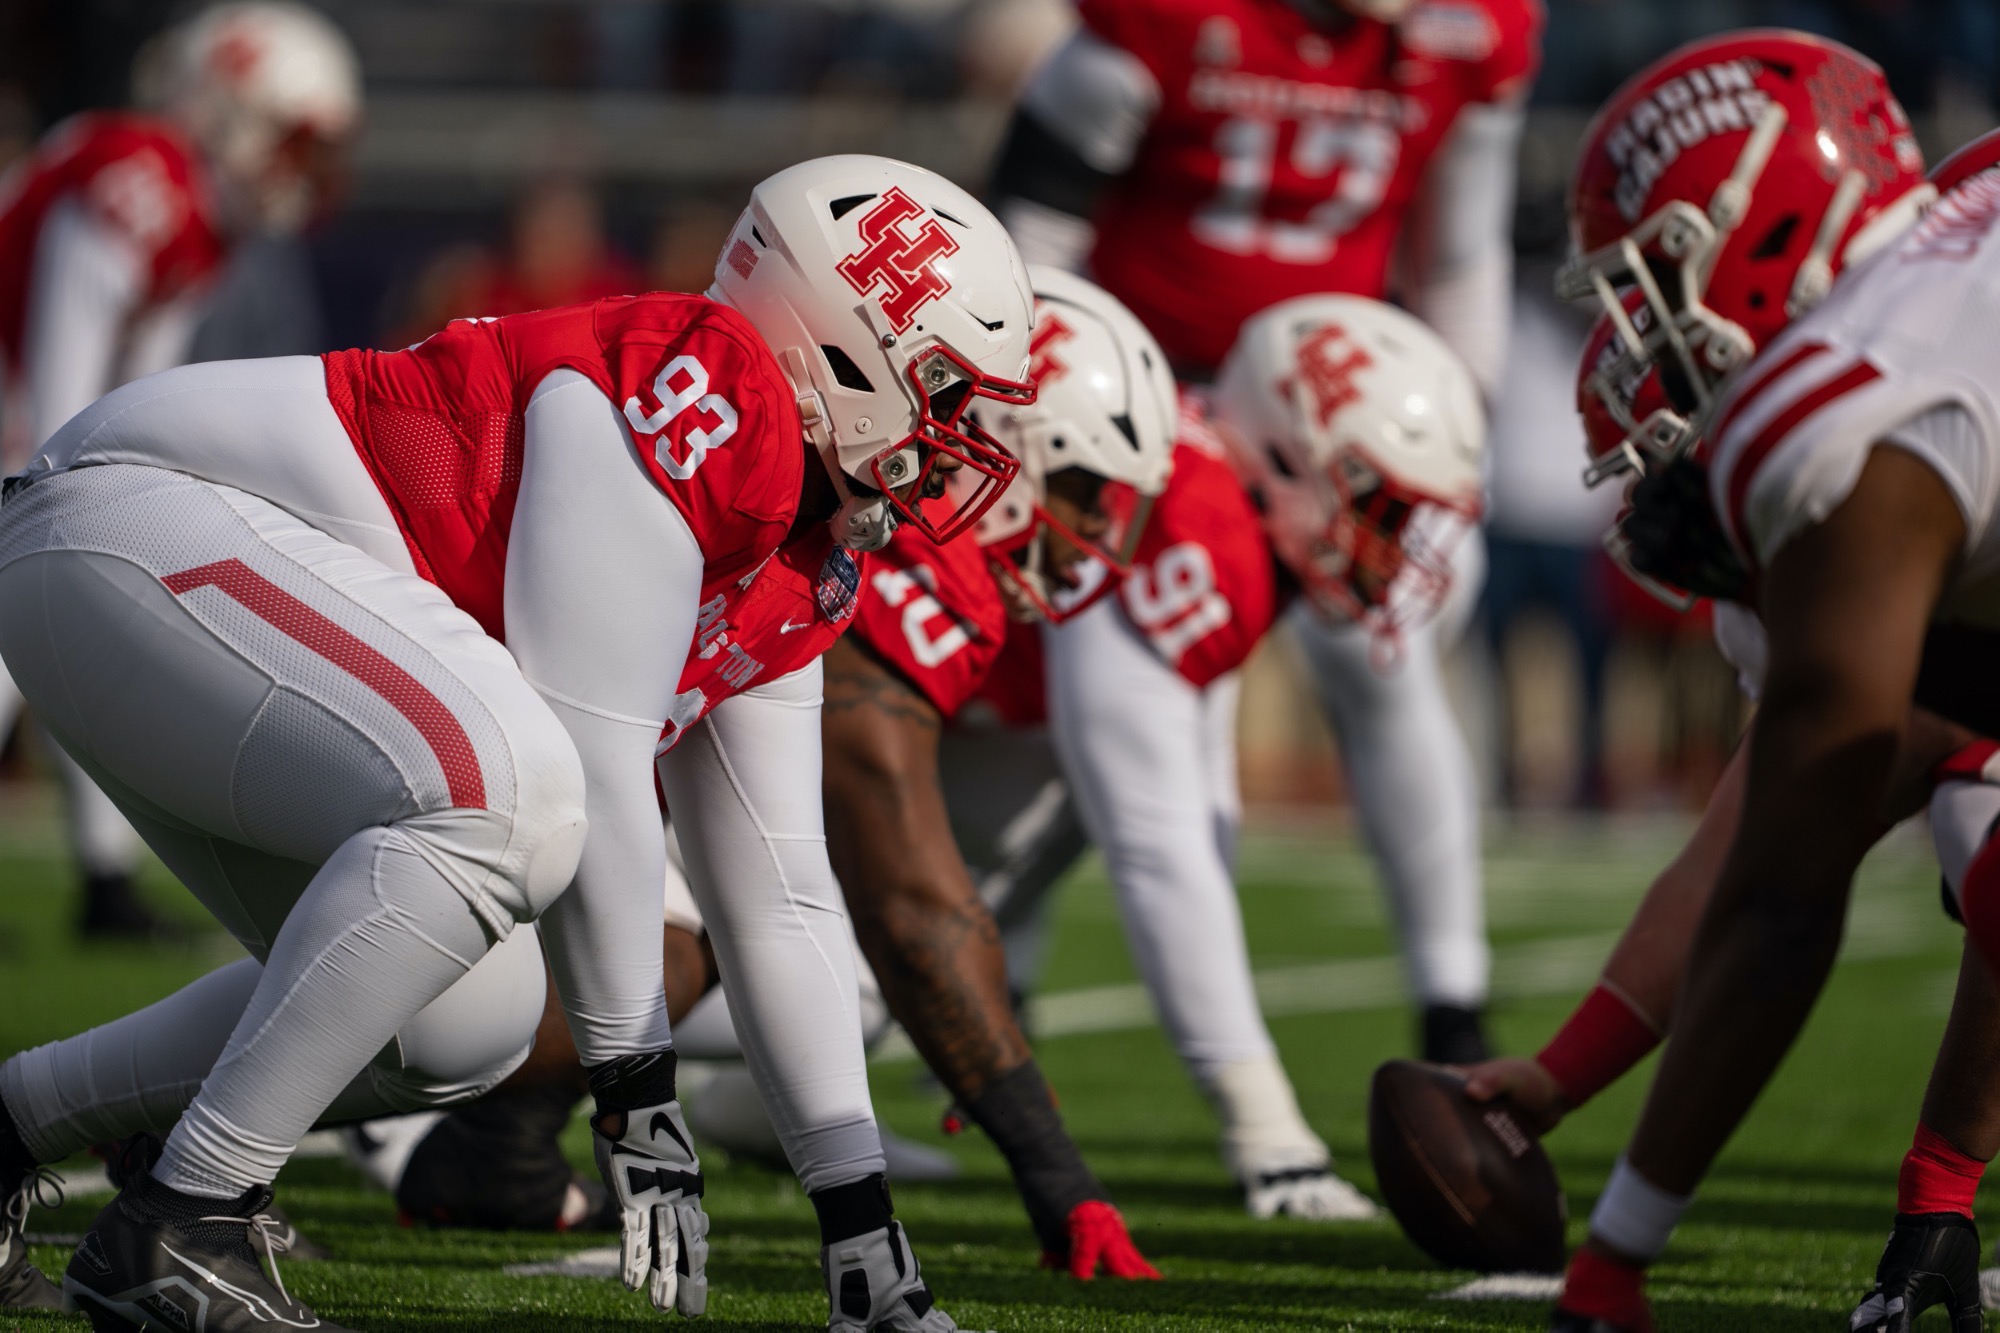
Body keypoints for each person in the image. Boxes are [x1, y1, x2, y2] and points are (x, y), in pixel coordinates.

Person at [0, 153, 1035, 1332]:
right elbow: (589, 765)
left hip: (162, 593)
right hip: (125, 516)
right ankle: (182, 1219)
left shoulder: (796, 550)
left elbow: (782, 898)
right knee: (515, 798)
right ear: (844, 343)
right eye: (942, 392)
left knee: (466, 1025)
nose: (954, 438)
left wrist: (861, 1234)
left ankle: (13, 1126)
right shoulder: (703, 388)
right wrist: (634, 1094)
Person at [376, 269, 1173, 1282]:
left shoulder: (889, 539)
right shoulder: (875, 541)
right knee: (693, 951)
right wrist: (1059, 1179)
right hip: (483, 762)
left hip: (569, 776)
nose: (1098, 537)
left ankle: (495, 1135)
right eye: (1084, 493)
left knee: (832, 978)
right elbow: (908, 901)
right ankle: (291, 1095)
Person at [1532, 30, 2000, 1331]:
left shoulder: (1849, 403)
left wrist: (1615, 1258)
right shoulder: (1956, 243)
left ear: (1771, 214)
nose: (1644, 329)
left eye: (1654, 275)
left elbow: (1784, 888)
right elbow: (1826, 790)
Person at [989, 0, 1543, 1058]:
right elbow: (1030, 239)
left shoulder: (1468, 35)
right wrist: (1043, 409)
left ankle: (1451, 998)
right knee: (1125, 716)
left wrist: (1448, 432)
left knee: (1379, 653)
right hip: (1140, 401)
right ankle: (1004, 973)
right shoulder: (1167, 21)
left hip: (1322, 420)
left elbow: (1461, 254)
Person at [0, 1, 362, 939]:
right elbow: (62, 382)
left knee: (83, 611)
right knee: (27, 623)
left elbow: (134, 397)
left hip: (22, 421)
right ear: (231, 108)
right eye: (292, 142)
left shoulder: (198, 216)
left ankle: (104, 882)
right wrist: (70, 488)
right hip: (17, 418)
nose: (300, 173)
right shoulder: (135, 176)